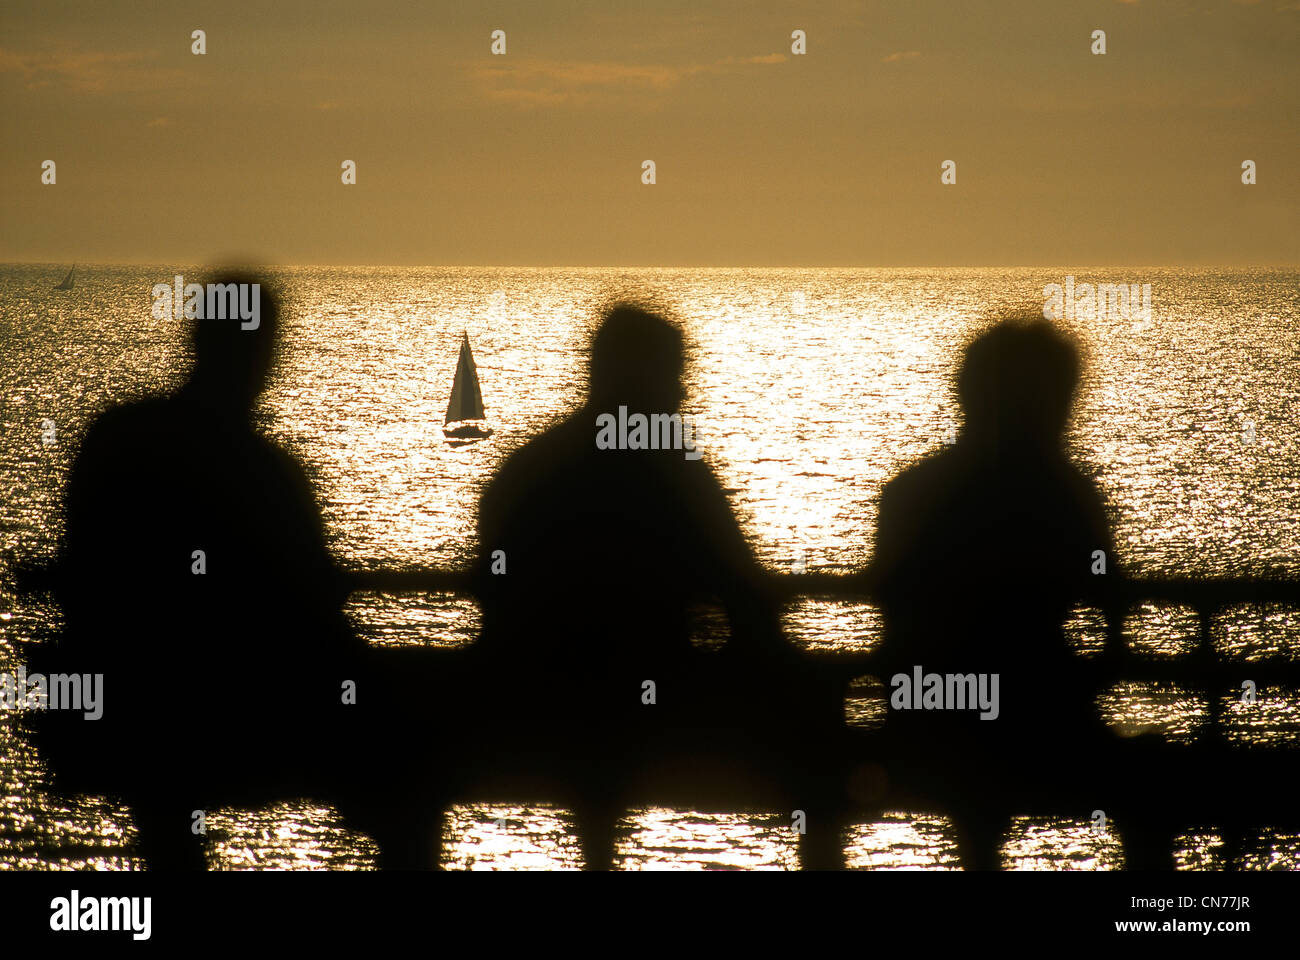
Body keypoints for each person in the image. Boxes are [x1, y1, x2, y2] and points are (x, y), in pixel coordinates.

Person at [30, 272, 437, 868]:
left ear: (196, 339)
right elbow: (316, 620)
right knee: (410, 780)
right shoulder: (268, 475)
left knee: (167, 795)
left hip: (121, 716)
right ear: (262, 353)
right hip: (245, 720)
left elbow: (87, 584)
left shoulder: (115, 441)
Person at [472, 300, 821, 868]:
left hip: (524, 706)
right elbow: (745, 601)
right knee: (815, 724)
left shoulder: (525, 470)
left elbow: (493, 595)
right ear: (647, 379)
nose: (683, 395)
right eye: (674, 377)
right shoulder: (680, 478)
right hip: (657, 709)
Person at [872, 314, 1123, 869]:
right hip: (1045, 718)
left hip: (923, 719)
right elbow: (1111, 610)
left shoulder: (911, 492)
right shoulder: (1070, 496)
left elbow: (889, 605)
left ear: (968, 392)